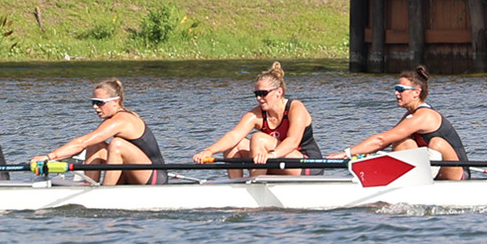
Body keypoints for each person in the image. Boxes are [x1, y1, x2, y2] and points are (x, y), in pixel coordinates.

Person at [335, 66, 469, 180]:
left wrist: (345, 154)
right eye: (395, 89)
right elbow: (387, 140)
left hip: (458, 172)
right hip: (435, 168)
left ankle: (423, 179)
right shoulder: (411, 115)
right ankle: (416, 178)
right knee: (402, 142)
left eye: (400, 89)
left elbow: (381, 140)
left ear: (416, 93)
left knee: (437, 143)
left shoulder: (424, 115)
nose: (396, 93)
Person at [192, 62, 320, 177]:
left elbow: (292, 142)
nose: (259, 98)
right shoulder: (257, 114)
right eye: (256, 94)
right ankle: (236, 186)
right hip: (275, 161)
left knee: (258, 138)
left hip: (306, 164)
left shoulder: (296, 108)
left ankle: (255, 182)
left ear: (278, 92)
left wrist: (271, 155)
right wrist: (209, 151)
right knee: (234, 144)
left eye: (263, 93)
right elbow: (233, 136)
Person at [31, 79, 167, 185]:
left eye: (99, 102)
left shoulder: (122, 120)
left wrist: (49, 157)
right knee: (95, 145)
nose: (95, 107)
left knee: (117, 144)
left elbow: (81, 143)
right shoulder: (113, 118)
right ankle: (89, 185)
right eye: (93, 103)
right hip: (134, 172)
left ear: (115, 102)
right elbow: (83, 145)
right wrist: (59, 157)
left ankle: (105, 192)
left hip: (155, 176)